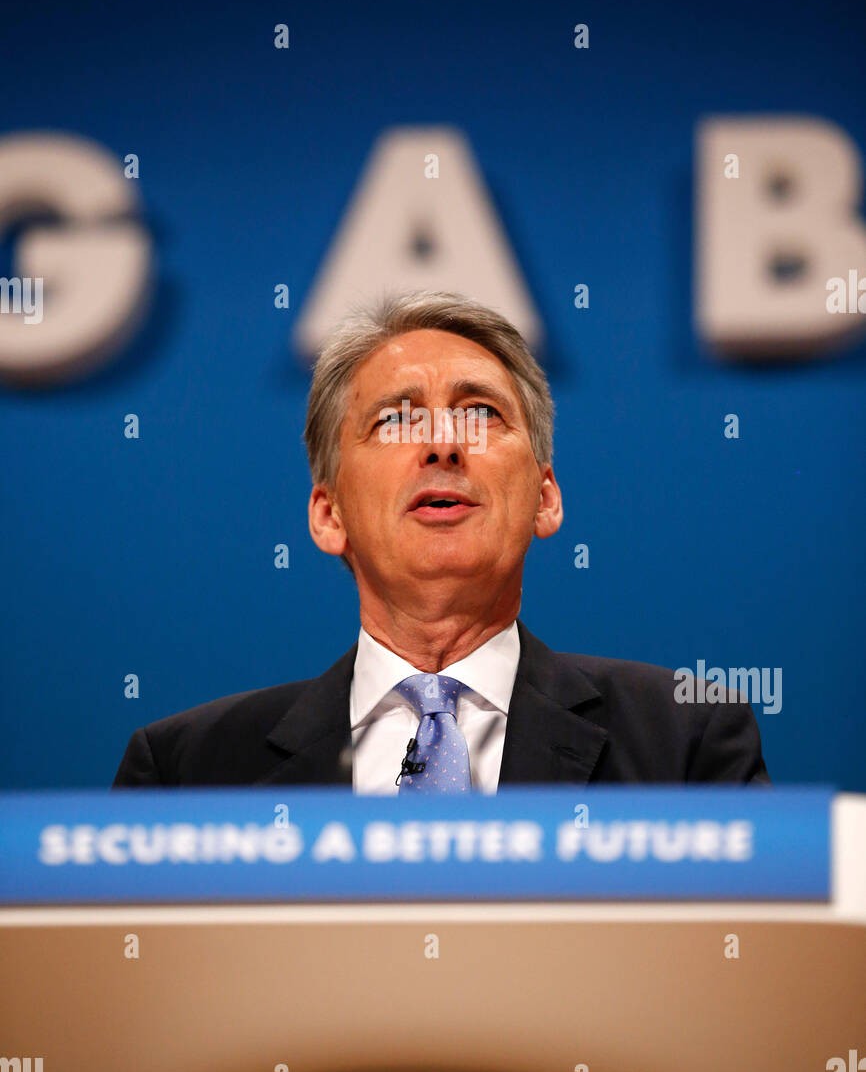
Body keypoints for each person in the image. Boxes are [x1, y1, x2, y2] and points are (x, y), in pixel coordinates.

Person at [113, 290, 770, 792]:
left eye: (482, 414)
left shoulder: (685, 739)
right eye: (396, 420)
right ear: (328, 514)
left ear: (545, 498)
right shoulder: (187, 771)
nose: (443, 445)